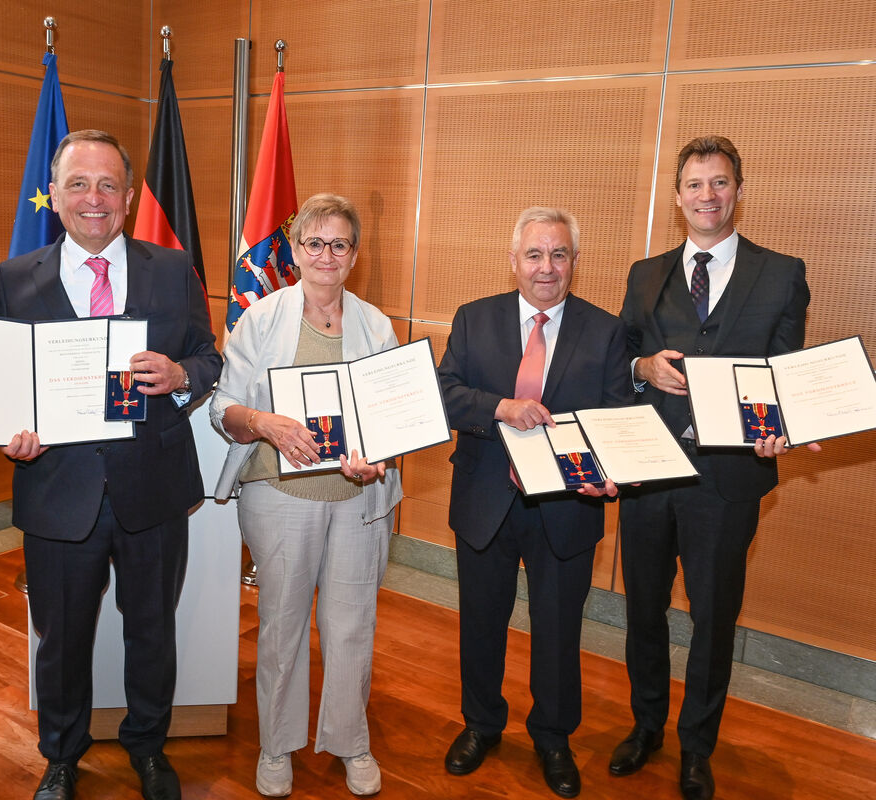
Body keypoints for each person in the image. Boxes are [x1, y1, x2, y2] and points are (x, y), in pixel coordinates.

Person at [0, 130, 221, 800]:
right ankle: (61, 755)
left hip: (152, 485)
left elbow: (209, 356)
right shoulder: (15, 278)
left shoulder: (172, 269)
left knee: (152, 627)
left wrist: (182, 372)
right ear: (54, 195)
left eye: (107, 185)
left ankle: (148, 747)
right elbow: (8, 380)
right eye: (78, 184)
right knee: (60, 637)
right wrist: (13, 430)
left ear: (127, 196)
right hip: (57, 490)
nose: (94, 199)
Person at [612, 135, 812, 800]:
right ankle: (646, 728)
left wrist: (777, 427)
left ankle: (697, 745)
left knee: (713, 616)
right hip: (648, 471)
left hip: (728, 483)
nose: (707, 196)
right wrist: (641, 368)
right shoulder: (645, 273)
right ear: (677, 196)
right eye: (695, 184)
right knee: (642, 609)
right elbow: (620, 361)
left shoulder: (781, 273)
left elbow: (782, 376)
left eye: (720, 183)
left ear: (738, 190)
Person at [437, 207, 633, 799]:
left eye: (559, 255)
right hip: (485, 501)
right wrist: (500, 407)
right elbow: (445, 395)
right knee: (481, 623)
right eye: (535, 254)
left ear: (575, 261)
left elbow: (618, 419)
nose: (546, 267)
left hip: (568, 509)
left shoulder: (605, 330)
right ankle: (481, 724)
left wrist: (612, 473)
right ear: (513, 259)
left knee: (557, 631)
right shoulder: (475, 319)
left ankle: (552, 737)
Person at [210, 194, 402, 797]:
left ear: (354, 255)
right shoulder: (259, 319)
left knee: (352, 627)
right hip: (279, 495)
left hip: (358, 499)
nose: (325, 254)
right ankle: (277, 746)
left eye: (338, 243)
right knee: (282, 625)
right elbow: (224, 409)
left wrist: (381, 452)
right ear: (293, 252)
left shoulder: (377, 324)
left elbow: (395, 414)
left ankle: (351, 741)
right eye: (313, 243)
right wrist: (266, 423)